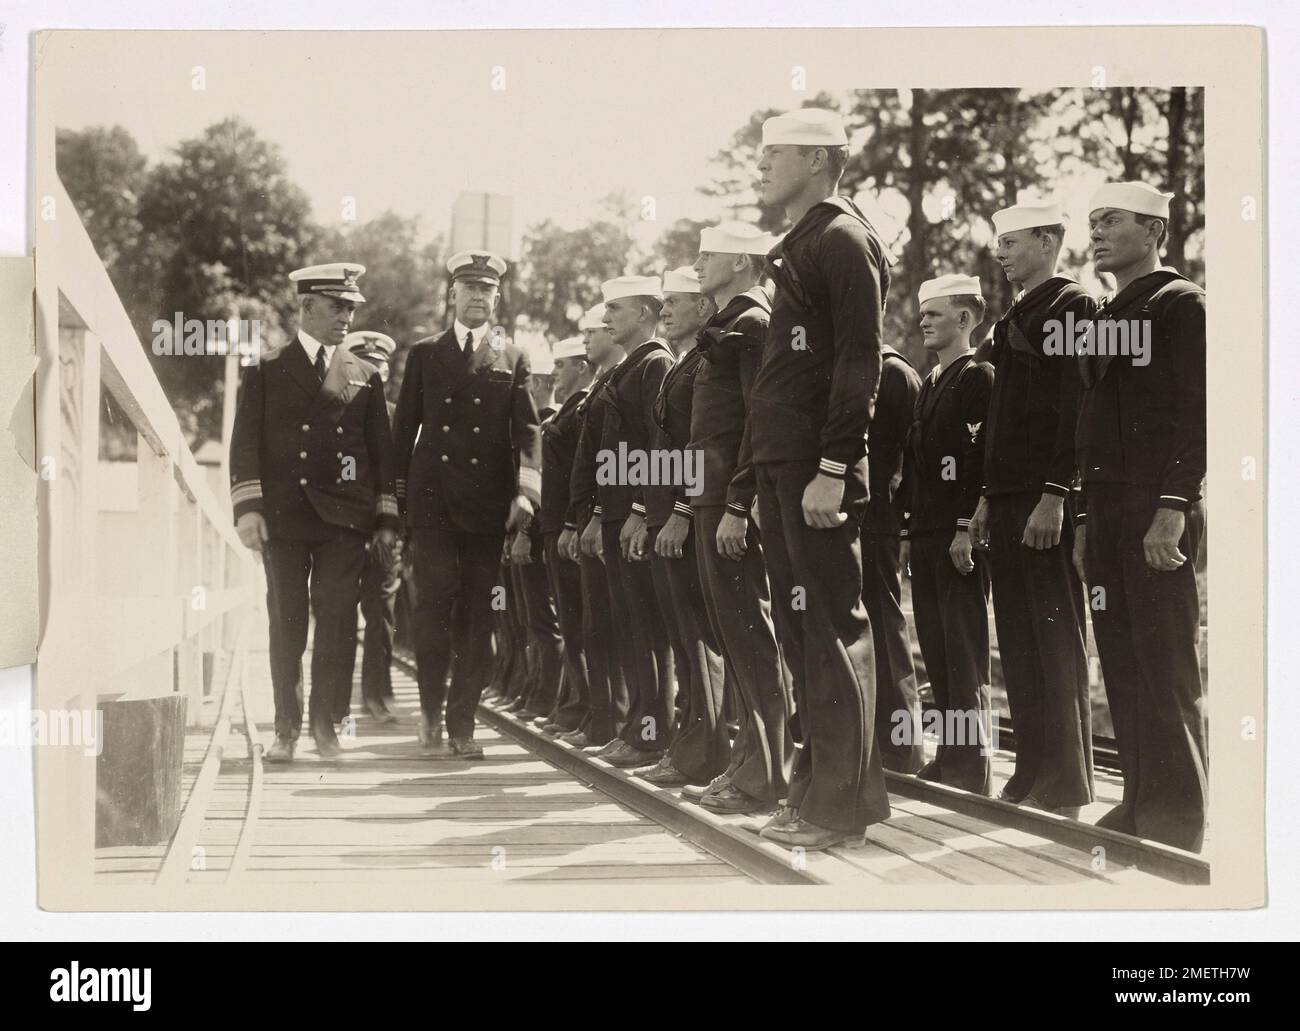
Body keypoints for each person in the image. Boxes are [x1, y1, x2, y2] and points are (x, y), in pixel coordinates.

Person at [745, 108, 894, 849]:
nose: (762, 164)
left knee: (833, 631)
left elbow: (858, 359)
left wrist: (835, 466)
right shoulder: (803, 243)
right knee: (804, 633)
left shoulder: (841, 237)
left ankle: (840, 808)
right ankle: (812, 794)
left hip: (816, 468)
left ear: (815, 158)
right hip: (785, 464)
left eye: (775, 153)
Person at [1074, 181, 1207, 852]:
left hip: (1155, 506)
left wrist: (1174, 506)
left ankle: (1179, 817)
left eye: (1112, 221)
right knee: (1121, 659)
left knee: (1164, 660)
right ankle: (1138, 800)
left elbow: (1200, 411)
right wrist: (1081, 516)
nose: (1095, 232)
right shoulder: (1105, 313)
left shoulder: (1181, 304)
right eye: (1092, 222)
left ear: (1154, 231)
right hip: (1105, 509)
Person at [229, 263, 399, 762]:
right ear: (306, 307)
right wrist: (248, 509)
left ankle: (329, 729)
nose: (347, 317)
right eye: (337, 306)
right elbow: (245, 446)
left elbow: (380, 455)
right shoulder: (265, 369)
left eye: (351, 308)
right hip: (283, 518)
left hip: (344, 520)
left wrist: (386, 517)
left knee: (338, 622)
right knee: (286, 624)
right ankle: (286, 730)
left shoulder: (364, 376)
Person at [968, 200, 1096, 816]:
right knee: (1017, 637)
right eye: (999, 243)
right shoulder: (1016, 314)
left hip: (1046, 498)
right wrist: (990, 500)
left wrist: (1057, 492)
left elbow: (1076, 404)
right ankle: (1033, 770)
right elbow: (1000, 421)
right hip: (1010, 498)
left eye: (1012, 242)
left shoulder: (1073, 306)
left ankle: (1067, 782)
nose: (1001, 253)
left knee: (1053, 635)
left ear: (1048, 241)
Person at [391, 250, 542, 760]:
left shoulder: (513, 357)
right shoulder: (425, 353)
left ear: (496, 299)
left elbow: (527, 431)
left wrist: (525, 492)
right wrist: (394, 504)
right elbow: (402, 431)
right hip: (432, 504)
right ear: (452, 294)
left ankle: (462, 725)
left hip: (485, 507)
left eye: (487, 290)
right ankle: (432, 713)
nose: (478, 297)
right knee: (431, 612)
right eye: (469, 288)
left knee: (479, 618)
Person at [686, 221, 794, 814]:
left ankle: (768, 773)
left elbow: (758, 422)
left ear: (744, 262)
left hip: (729, 501)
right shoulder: (728, 324)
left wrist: (737, 503)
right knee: (736, 636)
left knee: (751, 635)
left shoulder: (752, 323)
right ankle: (751, 764)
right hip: (709, 498)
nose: (699, 263)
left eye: (711, 254)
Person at [634, 266, 727, 789]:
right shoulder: (683, 365)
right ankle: (690, 745)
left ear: (705, 308)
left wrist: (683, 512)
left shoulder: (701, 364)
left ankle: (702, 752)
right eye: (663, 302)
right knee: (684, 637)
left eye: (676, 302)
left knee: (698, 639)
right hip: (668, 518)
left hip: (686, 519)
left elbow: (703, 446)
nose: (664, 310)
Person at [902, 274, 995, 796]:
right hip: (927, 533)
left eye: (934, 314)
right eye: (922, 314)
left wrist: (965, 526)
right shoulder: (932, 381)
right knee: (937, 650)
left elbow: (978, 460)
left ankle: (973, 765)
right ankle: (951, 755)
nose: (923, 323)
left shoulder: (977, 377)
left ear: (964, 319)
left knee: (962, 649)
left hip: (957, 534)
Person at [578, 276, 676, 769]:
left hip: (637, 515)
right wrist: (601, 514)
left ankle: (651, 732)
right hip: (618, 514)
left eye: (615, 307)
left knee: (646, 628)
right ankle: (640, 725)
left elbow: (660, 445)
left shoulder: (655, 363)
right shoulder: (629, 368)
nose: (606, 316)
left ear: (644, 313)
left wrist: (639, 511)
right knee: (631, 625)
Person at [562, 305, 630, 748]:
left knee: (617, 625)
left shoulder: (637, 371)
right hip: (592, 517)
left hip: (613, 516)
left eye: (598, 330)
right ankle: (603, 721)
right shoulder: (604, 383)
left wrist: (601, 516)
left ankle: (624, 724)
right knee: (593, 626)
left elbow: (625, 455)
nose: (590, 337)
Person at [861, 343, 924, 774]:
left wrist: (902, 527)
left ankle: (903, 747)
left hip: (878, 521)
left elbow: (911, 460)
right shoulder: (862, 368)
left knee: (885, 628)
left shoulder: (895, 373)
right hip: (855, 519)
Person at [342, 329, 403, 724]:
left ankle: (378, 693)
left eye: (380, 369)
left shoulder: (400, 417)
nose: (374, 376)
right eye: (368, 369)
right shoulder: (338, 412)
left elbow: (405, 476)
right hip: (344, 527)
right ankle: (338, 697)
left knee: (381, 614)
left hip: (387, 528)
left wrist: (397, 528)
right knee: (342, 611)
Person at [539, 336, 596, 739]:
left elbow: (584, 473)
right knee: (573, 624)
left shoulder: (582, 406)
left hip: (570, 527)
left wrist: (574, 525)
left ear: (580, 366)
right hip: (558, 526)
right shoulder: (573, 408)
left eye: (561, 365)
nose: (555, 374)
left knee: (579, 622)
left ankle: (583, 708)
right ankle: (575, 706)